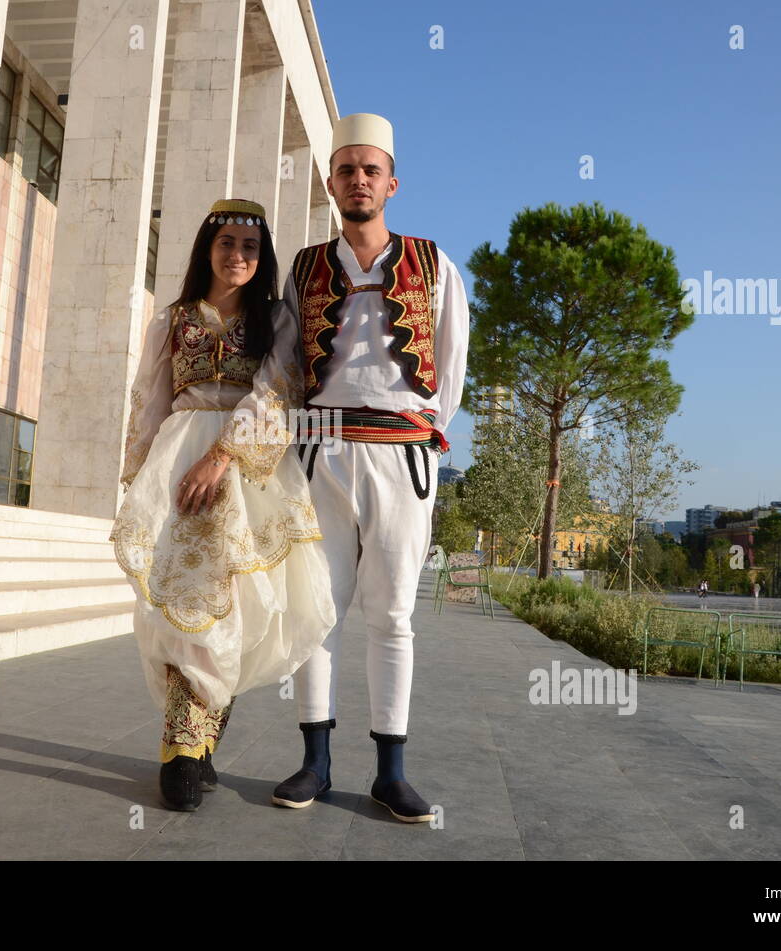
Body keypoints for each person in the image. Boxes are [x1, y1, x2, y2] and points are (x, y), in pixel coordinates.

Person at [270, 113, 470, 823]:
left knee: (392, 614)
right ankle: (315, 762)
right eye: (346, 169)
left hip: (401, 454)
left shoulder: (435, 262)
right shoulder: (302, 266)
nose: (358, 180)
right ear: (331, 182)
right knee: (315, 613)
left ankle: (391, 772)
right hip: (320, 449)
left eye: (370, 169)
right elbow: (282, 361)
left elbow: (452, 365)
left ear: (392, 182)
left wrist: (423, 434)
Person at [110, 198, 336, 812]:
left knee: (233, 602)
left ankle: (195, 743)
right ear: (207, 250)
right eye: (227, 243)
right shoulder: (173, 319)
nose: (238, 255)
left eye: (250, 247)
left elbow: (278, 389)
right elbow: (150, 400)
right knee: (182, 597)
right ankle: (186, 746)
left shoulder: (275, 319)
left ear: (262, 259)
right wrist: (140, 483)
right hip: (176, 462)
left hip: (246, 467)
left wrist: (223, 455)